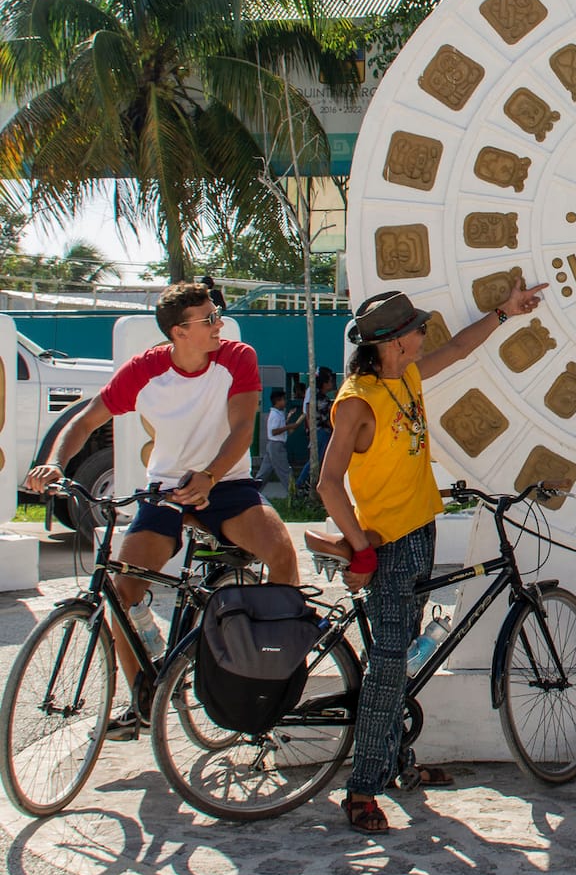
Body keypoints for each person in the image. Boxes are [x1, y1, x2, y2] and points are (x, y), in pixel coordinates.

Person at [318, 277, 546, 833]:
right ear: (394, 342)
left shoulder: (407, 376)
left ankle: (397, 762)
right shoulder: (357, 402)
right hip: (389, 547)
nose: (424, 336)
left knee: (403, 663)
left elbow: (460, 349)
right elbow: (326, 484)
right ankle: (362, 790)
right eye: (417, 330)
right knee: (388, 667)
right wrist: (359, 548)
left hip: (422, 533)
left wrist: (504, 313)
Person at [25, 280, 298, 737]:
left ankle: (273, 661)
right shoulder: (146, 370)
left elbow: (239, 430)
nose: (218, 324)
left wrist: (209, 476)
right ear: (178, 332)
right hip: (166, 488)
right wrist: (53, 464)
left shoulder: (236, 357)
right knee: (122, 589)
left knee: (281, 552)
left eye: (217, 315)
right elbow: (86, 417)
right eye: (208, 319)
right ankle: (142, 698)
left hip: (225, 483)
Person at [254, 387, 295, 501]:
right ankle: (293, 495)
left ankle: (254, 492)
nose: (285, 402)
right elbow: (274, 431)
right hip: (276, 446)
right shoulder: (274, 415)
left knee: (264, 472)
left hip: (272, 445)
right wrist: (289, 426)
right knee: (284, 471)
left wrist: (288, 421)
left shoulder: (278, 414)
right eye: (283, 400)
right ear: (278, 401)